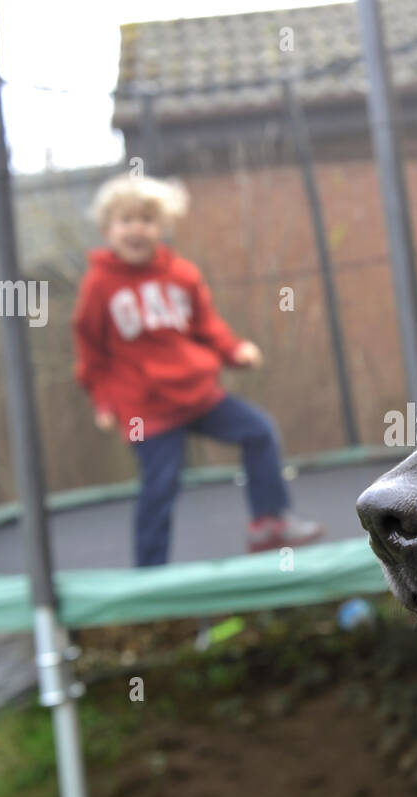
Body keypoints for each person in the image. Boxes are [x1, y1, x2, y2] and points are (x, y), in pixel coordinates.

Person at [72, 173, 323, 565]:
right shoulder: (99, 285)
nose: (137, 229)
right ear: (107, 229)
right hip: (146, 408)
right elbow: (91, 349)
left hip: (198, 394)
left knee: (259, 432)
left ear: (162, 227)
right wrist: (103, 400)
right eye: (126, 220)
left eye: (147, 220)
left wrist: (234, 349)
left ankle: (269, 523)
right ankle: (151, 571)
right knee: (161, 483)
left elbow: (207, 326)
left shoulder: (182, 274)